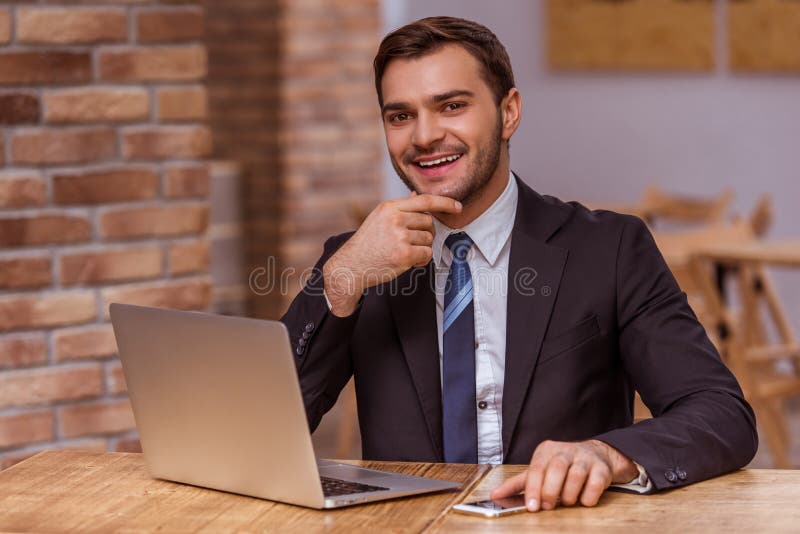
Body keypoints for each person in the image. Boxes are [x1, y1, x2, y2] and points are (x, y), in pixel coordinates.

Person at [280, 16, 757, 512]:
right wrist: (341, 281)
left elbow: (721, 414)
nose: (423, 136)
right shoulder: (357, 260)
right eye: (400, 116)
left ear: (508, 112)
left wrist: (609, 454)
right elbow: (266, 431)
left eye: (452, 106)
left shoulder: (611, 249)